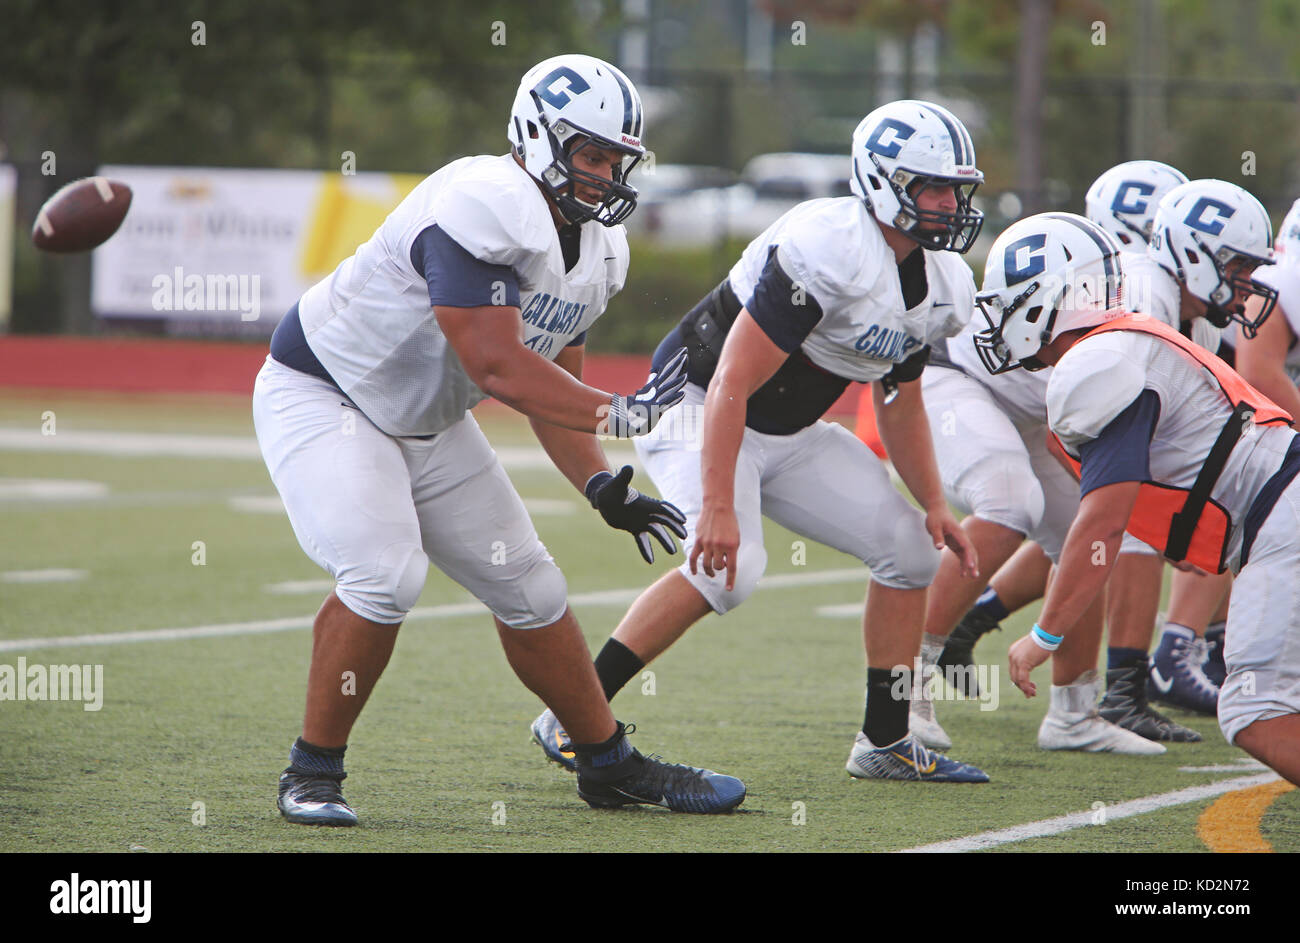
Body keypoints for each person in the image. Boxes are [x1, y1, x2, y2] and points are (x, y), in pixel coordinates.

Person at [252, 54, 747, 825]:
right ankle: (311, 770)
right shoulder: (482, 202)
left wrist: (599, 483)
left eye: (614, 160)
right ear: (537, 136)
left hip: (429, 420)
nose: (604, 176)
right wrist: (618, 413)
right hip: (327, 396)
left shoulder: (599, 250)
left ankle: (607, 762)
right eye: (590, 155)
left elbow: (552, 382)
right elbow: (497, 365)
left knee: (533, 588)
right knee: (385, 574)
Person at [532, 99, 989, 783]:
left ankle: (885, 741)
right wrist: (718, 504)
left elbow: (900, 397)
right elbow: (732, 381)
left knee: (911, 551)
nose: (950, 205)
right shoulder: (827, 247)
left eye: (956, 190)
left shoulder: (944, 283)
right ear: (882, 182)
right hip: (696, 406)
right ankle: (572, 714)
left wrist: (934, 502)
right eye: (933, 188)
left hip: (790, 431)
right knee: (728, 569)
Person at [976, 210, 1300, 787]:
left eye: (1006, 302)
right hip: (1279, 506)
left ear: (1044, 300)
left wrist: (1045, 635)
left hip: (1282, 515)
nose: (999, 318)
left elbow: (1103, 524)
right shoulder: (1120, 343)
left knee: (1256, 711)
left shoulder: (1098, 363)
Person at [914, 163, 1203, 753]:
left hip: (1035, 401)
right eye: (1237, 266)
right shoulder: (1147, 290)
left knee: (1087, 541)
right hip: (960, 376)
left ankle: (1073, 714)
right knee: (1011, 503)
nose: (1248, 282)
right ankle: (904, 687)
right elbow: (1070, 435)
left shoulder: (1164, 297)